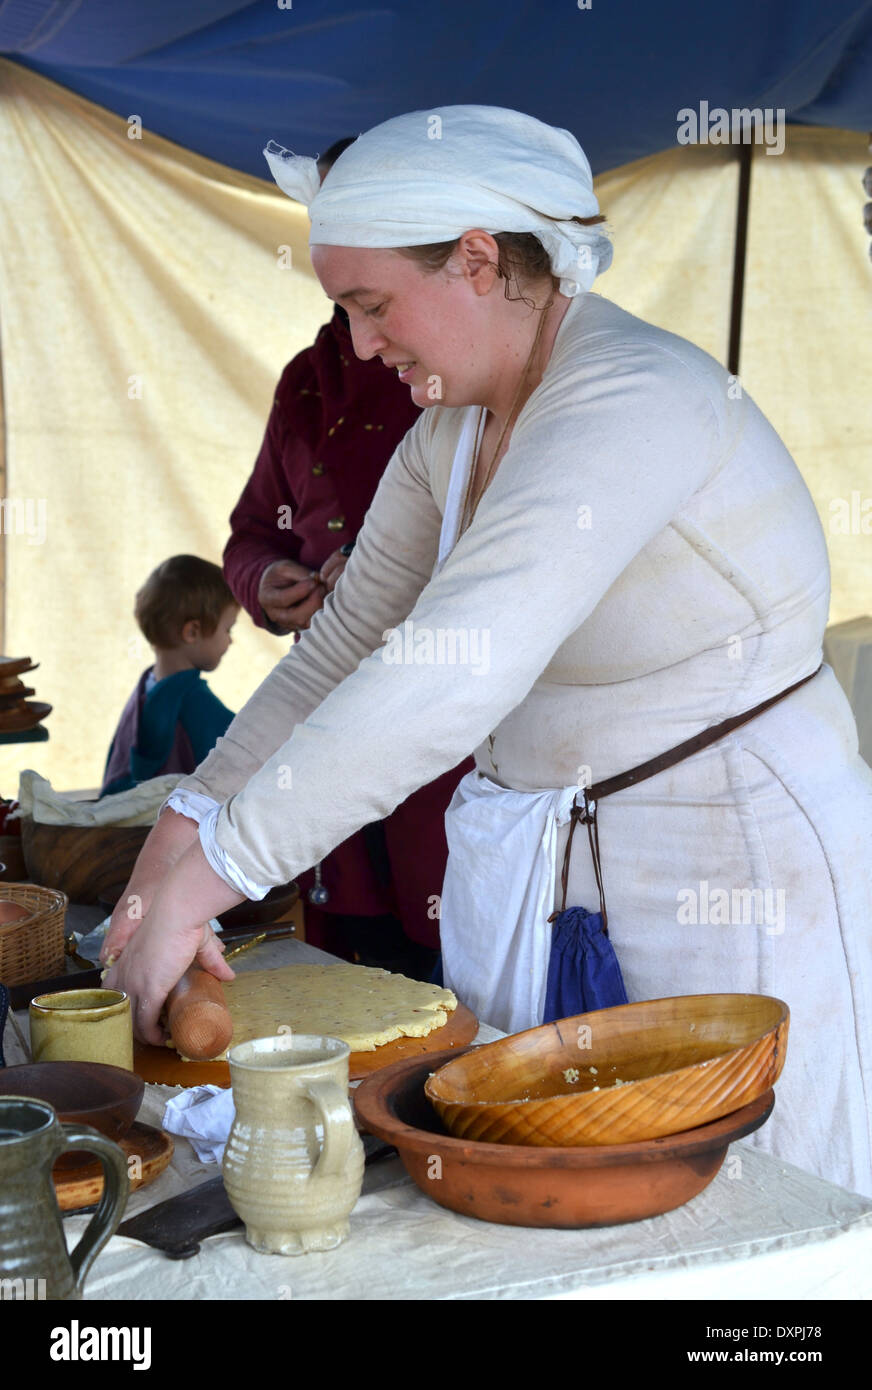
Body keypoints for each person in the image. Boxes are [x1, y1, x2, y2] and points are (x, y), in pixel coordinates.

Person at [104, 106, 872, 1197]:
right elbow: (335, 656)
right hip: (557, 873)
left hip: (733, 875)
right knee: (555, 1191)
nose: (361, 345)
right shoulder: (448, 436)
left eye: (371, 306)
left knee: (736, 1204)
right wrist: (168, 852)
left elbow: (451, 671)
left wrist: (212, 884)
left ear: (475, 260)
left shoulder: (630, 397)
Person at [223, 136, 471, 976]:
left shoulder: (456, 370)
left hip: (439, 717)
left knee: (446, 956)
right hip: (323, 701)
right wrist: (271, 583)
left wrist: (381, 581)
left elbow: (510, 553)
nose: (371, 345)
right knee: (347, 957)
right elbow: (250, 532)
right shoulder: (305, 379)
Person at [101, 555, 238, 795]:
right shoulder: (195, 702)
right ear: (192, 631)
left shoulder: (143, 693)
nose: (231, 640)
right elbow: (243, 751)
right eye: (228, 629)